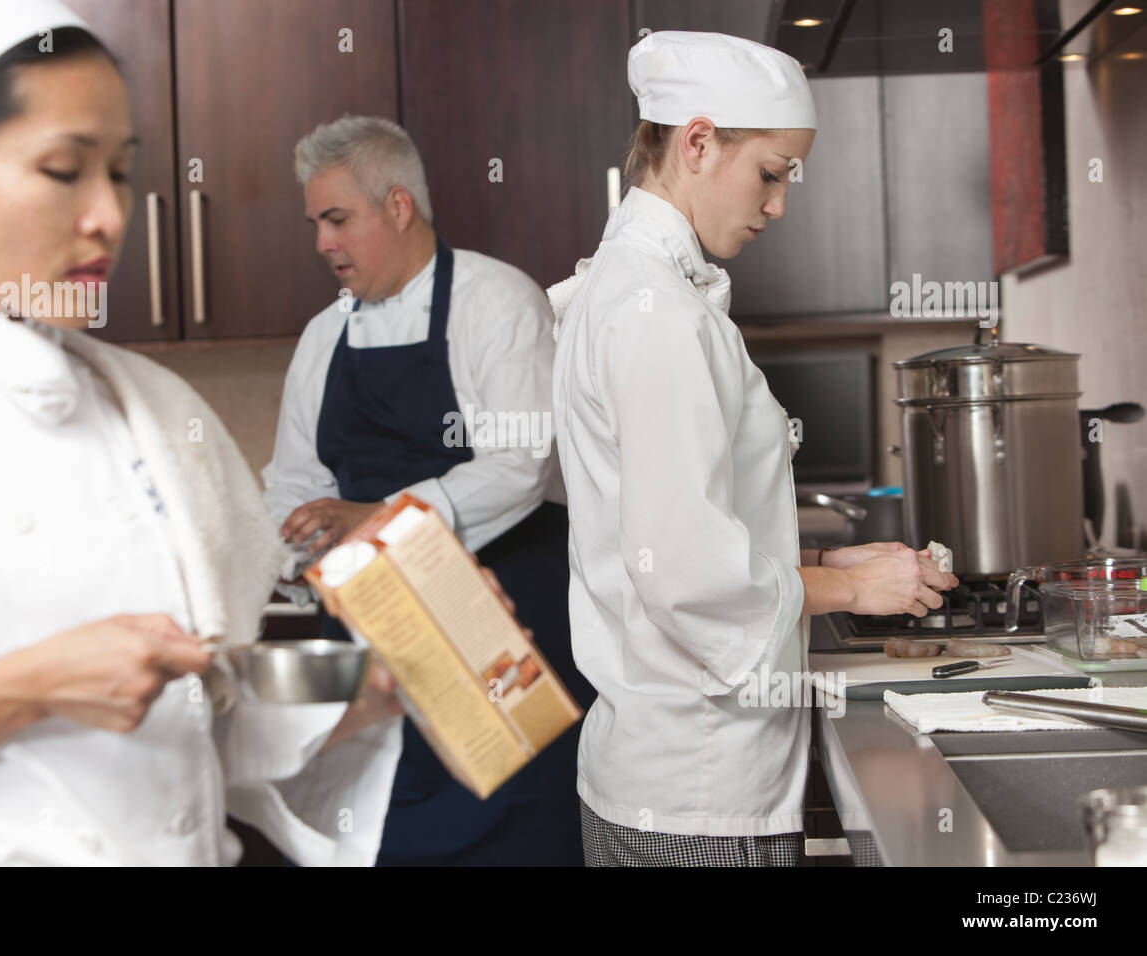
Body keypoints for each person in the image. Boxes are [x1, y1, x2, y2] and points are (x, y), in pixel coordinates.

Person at [0, 0, 400, 866]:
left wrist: (366, 682)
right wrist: (22, 690)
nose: (109, 215)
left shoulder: (150, 409)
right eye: (65, 169)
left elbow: (213, 686)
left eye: (120, 171)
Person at [548, 31, 959, 867]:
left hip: (671, 775)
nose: (777, 205)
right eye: (771, 174)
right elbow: (687, 571)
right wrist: (846, 584)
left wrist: (814, 555)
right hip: (696, 792)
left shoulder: (639, 292)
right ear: (697, 142)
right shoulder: (656, 313)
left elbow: (667, 526)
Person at [262, 115, 592, 865]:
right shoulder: (324, 337)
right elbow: (291, 482)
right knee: (384, 828)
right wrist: (299, 537)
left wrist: (381, 520)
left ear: (399, 206)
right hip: (375, 642)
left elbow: (520, 463)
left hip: (503, 629)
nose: (322, 243)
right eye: (315, 223)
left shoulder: (495, 301)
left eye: (338, 219)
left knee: (522, 837)